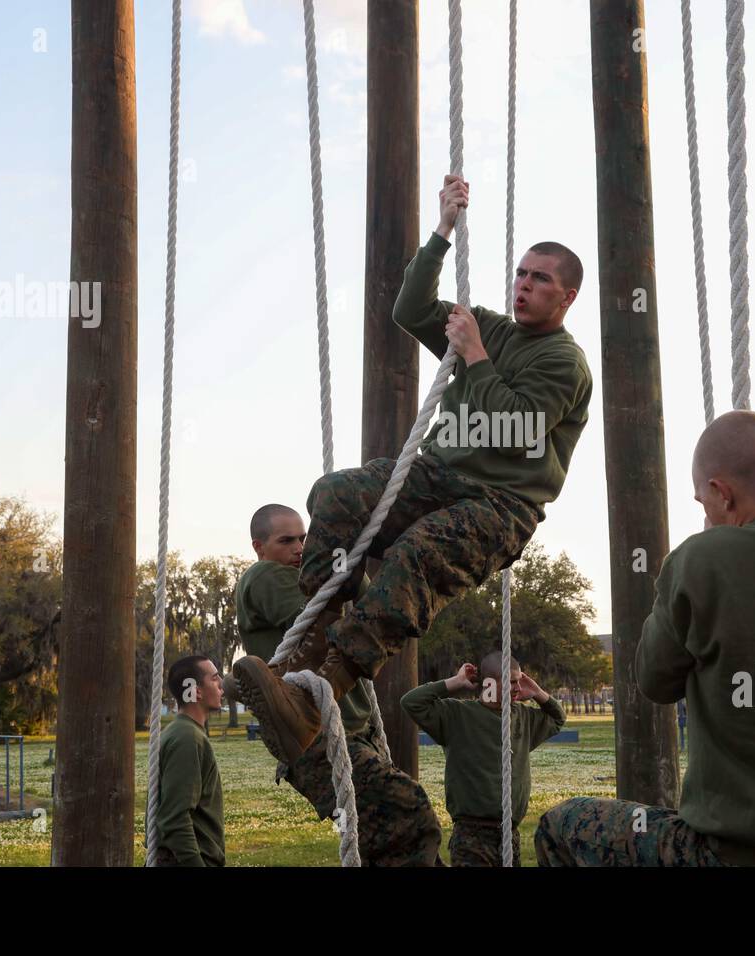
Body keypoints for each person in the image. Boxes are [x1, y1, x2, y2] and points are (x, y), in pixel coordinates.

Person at [235, 173, 592, 768]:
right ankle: (318, 634)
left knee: (417, 554)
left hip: (500, 504)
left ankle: (326, 692)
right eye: (521, 274)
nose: (524, 286)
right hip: (436, 475)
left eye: (541, 279)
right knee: (337, 492)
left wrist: (475, 355)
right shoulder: (490, 325)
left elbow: (519, 429)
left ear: (566, 297)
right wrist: (442, 233)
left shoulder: (563, 361)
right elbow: (410, 308)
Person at [535, 410, 755, 866]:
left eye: (702, 500)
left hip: (735, 854)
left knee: (560, 826)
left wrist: (687, 566)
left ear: (722, 494)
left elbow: (653, 680)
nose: (704, 512)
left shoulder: (700, 560)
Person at [234, 503, 442, 866]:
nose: (299, 549)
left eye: (304, 539)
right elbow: (324, 621)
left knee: (381, 841)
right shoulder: (264, 575)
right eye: (287, 541)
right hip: (316, 737)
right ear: (259, 546)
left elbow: (371, 604)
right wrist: (337, 573)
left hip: (351, 734)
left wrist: (348, 562)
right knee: (411, 815)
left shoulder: (311, 576)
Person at [401, 652, 566, 866]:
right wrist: (456, 681)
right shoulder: (457, 715)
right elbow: (411, 702)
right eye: (511, 682)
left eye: (519, 681)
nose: (517, 687)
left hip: (510, 834)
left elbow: (557, 718)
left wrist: (536, 692)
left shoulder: (523, 717)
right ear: (488, 684)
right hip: (472, 836)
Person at [156, 655, 226, 867]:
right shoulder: (187, 738)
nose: (221, 684)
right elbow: (174, 818)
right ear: (196, 690)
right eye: (214, 679)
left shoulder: (185, 732)